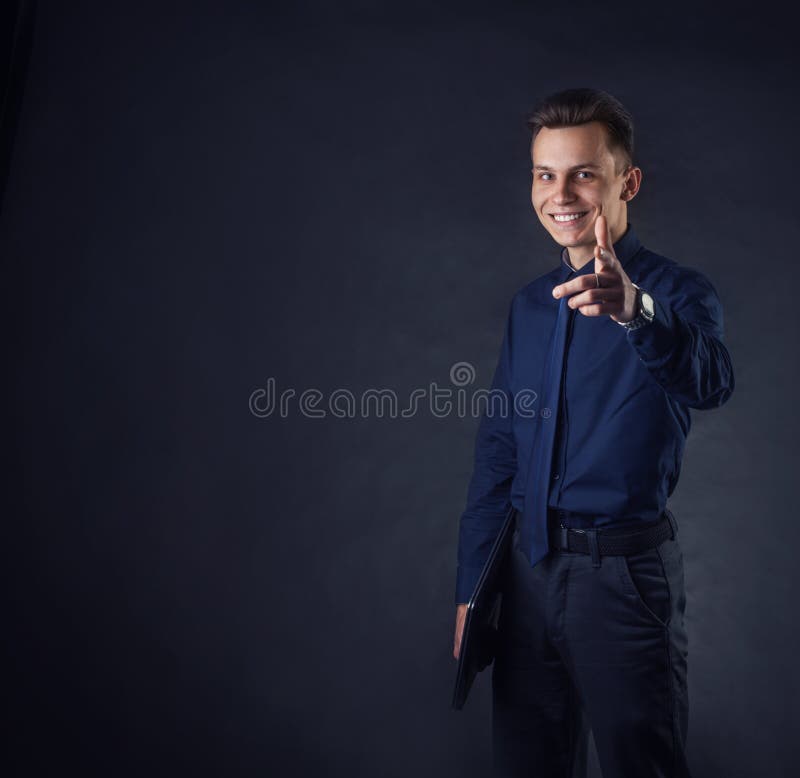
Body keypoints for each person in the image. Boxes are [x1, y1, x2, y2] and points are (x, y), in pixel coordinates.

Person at [452, 88, 735, 778]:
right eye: (544, 174)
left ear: (626, 182)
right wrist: (472, 586)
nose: (561, 193)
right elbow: (500, 452)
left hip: (623, 581)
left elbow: (711, 381)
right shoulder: (528, 306)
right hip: (525, 575)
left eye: (583, 172)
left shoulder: (678, 293)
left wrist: (636, 310)